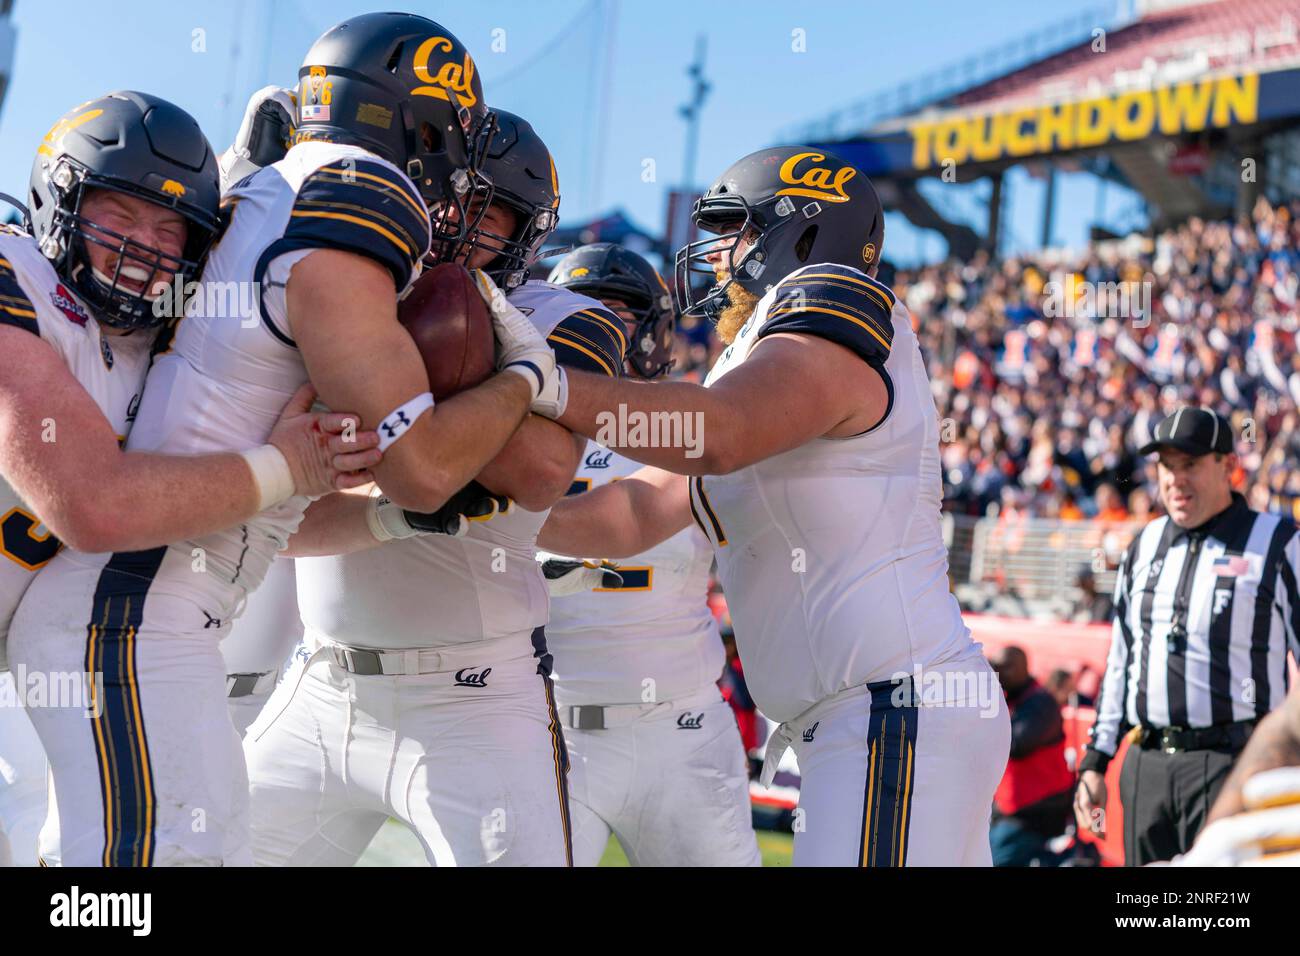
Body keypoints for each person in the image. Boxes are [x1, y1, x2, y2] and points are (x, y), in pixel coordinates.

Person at [9, 14, 566, 867]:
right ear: (422, 129)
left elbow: (274, 505)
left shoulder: (261, 198)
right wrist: (529, 377)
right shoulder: (355, 197)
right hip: (130, 612)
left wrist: (380, 513)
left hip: (143, 609)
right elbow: (419, 469)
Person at [536, 146, 1011, 866]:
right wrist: (487, 504)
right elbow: (632, 516)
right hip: (867, 715)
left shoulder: (836, 304)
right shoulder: (753, 361)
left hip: (892, 707)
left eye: (738, 230)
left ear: (806, 233)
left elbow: (714, 433)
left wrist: (544, 387)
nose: (720, 255)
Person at [0, 91, 375, 867]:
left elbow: (220, 503)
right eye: (119, 217)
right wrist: (285, 463)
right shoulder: (18, 280)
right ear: (58, 199)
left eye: (172, 232)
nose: (145, 249)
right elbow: (93, 504)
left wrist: (396, 516)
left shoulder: (160, 344)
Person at [244, 110, 627, 866]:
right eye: (443, 193)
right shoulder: (351, 289)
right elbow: (287, 526)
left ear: (527, 230)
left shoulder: (561, 315)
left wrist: (400, 391)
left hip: (473, 695)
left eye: (486, 208)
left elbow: (543, 470)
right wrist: (396, 507)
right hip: (322, 682)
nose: (454, 218)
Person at [538, 242, 761, 867]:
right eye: (585, 308)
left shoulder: (689, 418)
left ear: (657, 329)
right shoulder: (514, 417)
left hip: (680, 723)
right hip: (545, 725)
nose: (606, 323)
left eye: (622, 311)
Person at [1075, 407, 1300, 865]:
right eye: (1166, 467)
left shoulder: (1278, 542)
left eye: (1191, 465)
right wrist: (1096, 760)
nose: (1176, 479)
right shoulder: (1145, 543)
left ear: (1227, 466)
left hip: (1233, 763)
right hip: (1148, 765)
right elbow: (1122, 659)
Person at [989, 646, 1074, 866]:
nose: (999, 673)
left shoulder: (1040, 702)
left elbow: (1015, 745)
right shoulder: (1010, 698)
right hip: (1010, 809)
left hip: (1035, 812)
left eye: (1006, 668)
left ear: (1023, 668)